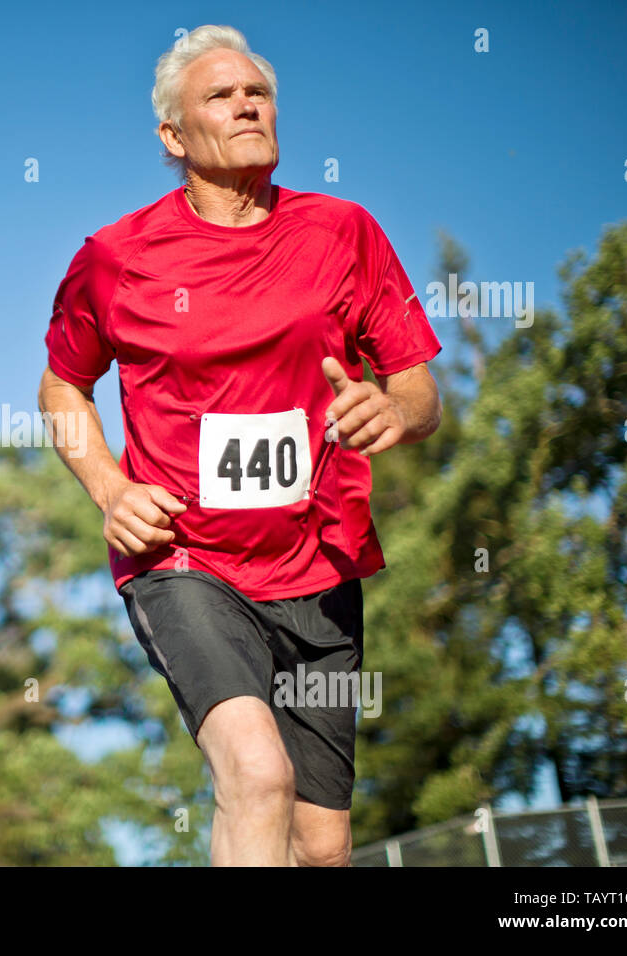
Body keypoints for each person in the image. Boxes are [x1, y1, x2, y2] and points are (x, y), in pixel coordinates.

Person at [37, 24, 443, 866]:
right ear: (174, 137)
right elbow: (61, 385)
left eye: (256, 91)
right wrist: (112, 492)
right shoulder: (116, 259)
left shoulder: (343, 232)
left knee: (323, 844)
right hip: (186, 559)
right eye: (219, 95)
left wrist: (394, 412)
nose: (246, 103)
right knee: (255, 774)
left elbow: (418, 387)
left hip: (320, 569)